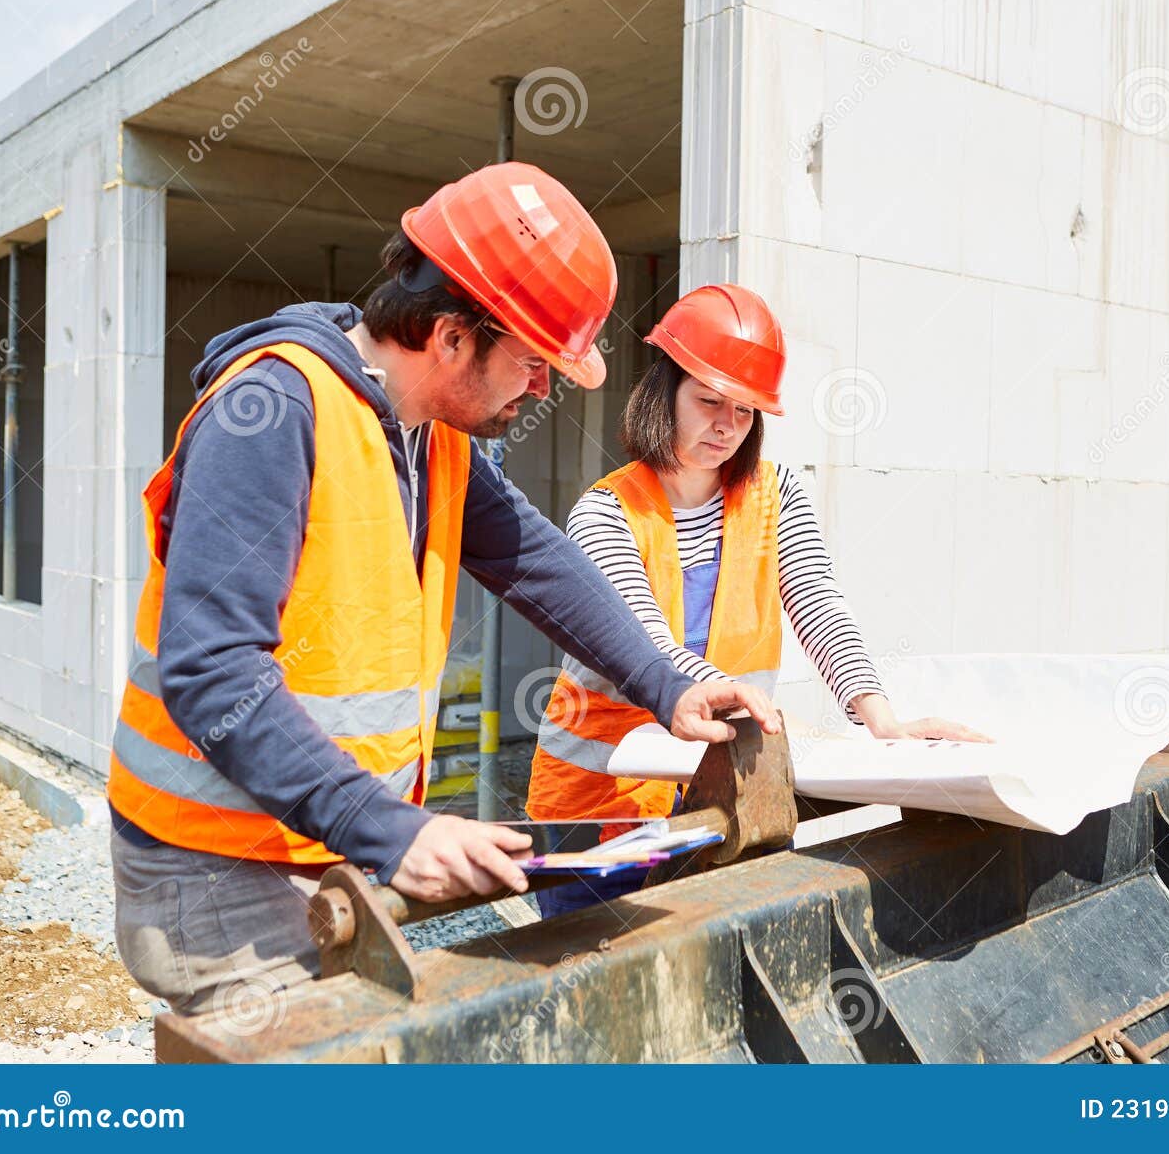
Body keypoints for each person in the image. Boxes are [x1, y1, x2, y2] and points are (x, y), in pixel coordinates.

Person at [108, 166, 777, 1014]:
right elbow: (214, 671)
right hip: (212, 864)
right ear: (453, 335)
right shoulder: (273, 414)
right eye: (534, 362)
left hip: (314, 842)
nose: (542, 389)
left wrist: (667, 681)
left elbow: (536, 560)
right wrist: (390, 829)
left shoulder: (428, 434)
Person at [526, 284, 987, 918]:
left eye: (745, 411)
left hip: (730, 775)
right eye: (710, 401)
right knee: (595, 971)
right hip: (606, 789)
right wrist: (746, 704)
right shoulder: (605, 513)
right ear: (664, 395)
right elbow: (646, 646)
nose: (726, 427)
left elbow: (816, 603)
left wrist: (880, 719)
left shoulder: (776, 496)